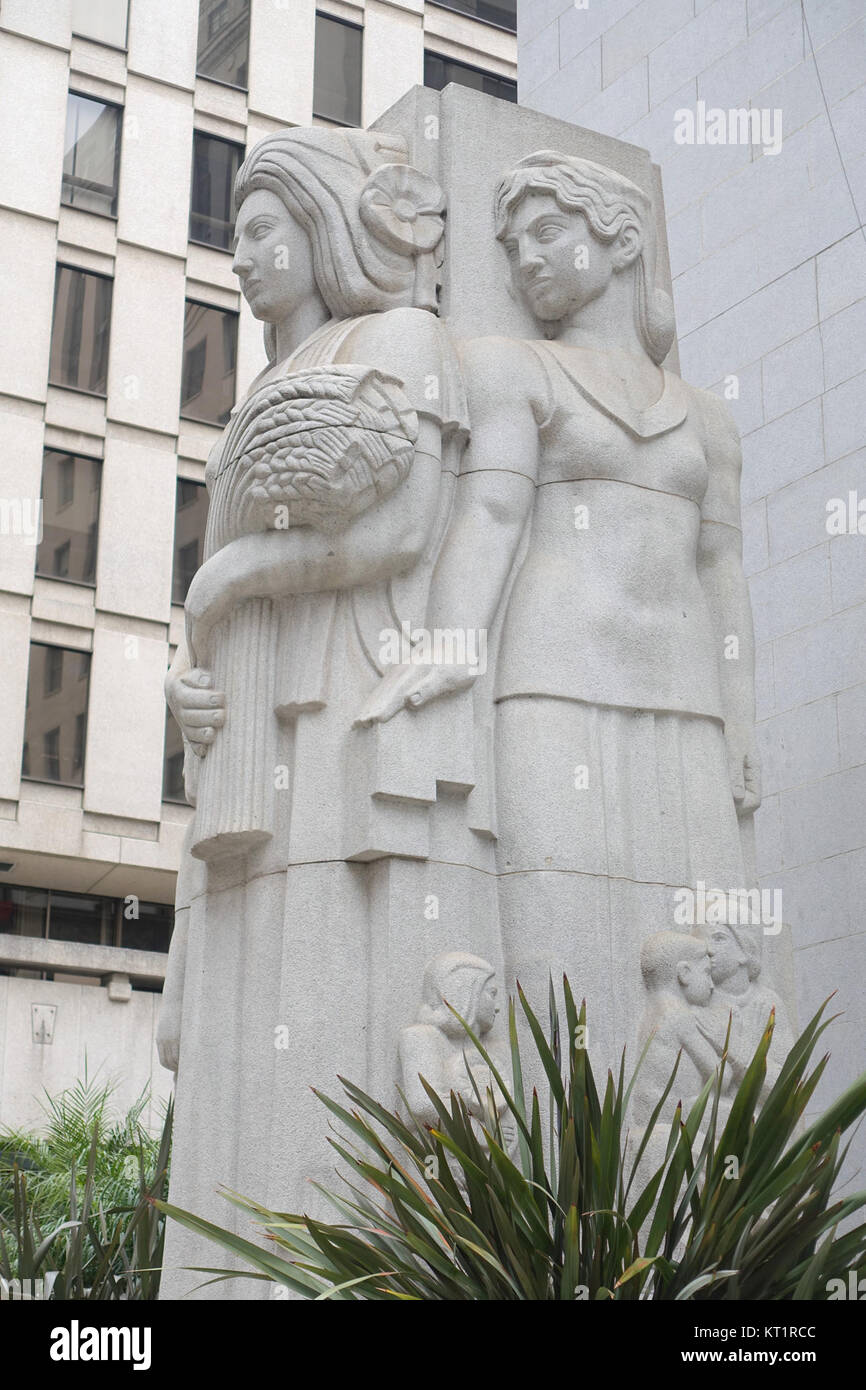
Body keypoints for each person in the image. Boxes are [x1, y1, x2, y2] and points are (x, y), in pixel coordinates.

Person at [360, 151, 760, 1073]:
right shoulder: (510, 367)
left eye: (548, 232)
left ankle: (693, 1187)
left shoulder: (709, 420)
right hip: (549, 687)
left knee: (713, 949)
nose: (524, 261)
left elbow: (722, 565)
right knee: (556, 947)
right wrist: (454, 643)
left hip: (688, 701)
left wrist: (741, 717)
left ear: (618, 239)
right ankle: (551, 1181)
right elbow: (491, 510)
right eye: (509, 245)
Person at [157, 128, 467, 1299]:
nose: (238, 257)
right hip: (242, 733)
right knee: (233, 1007)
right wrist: (198, 689)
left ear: (324, 225)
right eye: (232, 234)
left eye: (259, 229)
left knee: (330, 958)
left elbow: (399, 535)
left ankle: (323, 1266)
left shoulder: (403, 340)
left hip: (349, 680)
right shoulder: (252, 401)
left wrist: (232, 580)